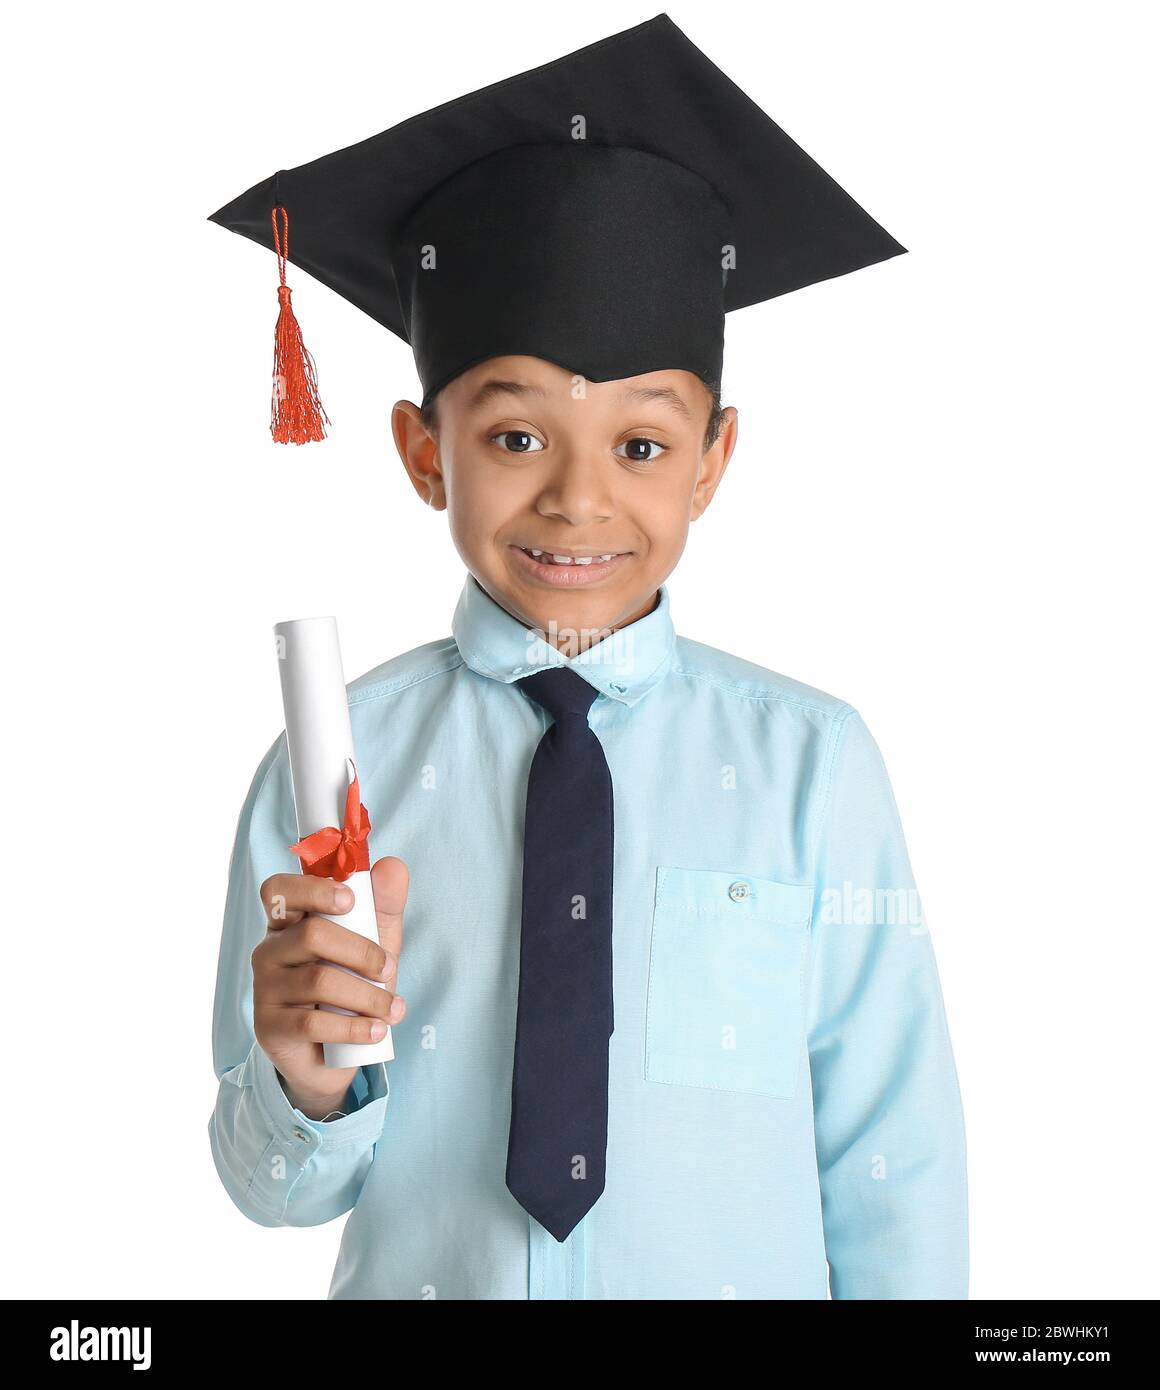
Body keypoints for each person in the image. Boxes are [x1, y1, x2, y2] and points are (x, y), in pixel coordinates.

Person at [208, 14, 967, 1299]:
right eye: (512, 439)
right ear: (419, 450)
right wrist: (304, 1074)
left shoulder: (812, 766)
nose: (576, 501)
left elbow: (891, 1151)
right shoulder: (336, 763)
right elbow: (272, 1187)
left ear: (713, 461)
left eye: (640, 445)